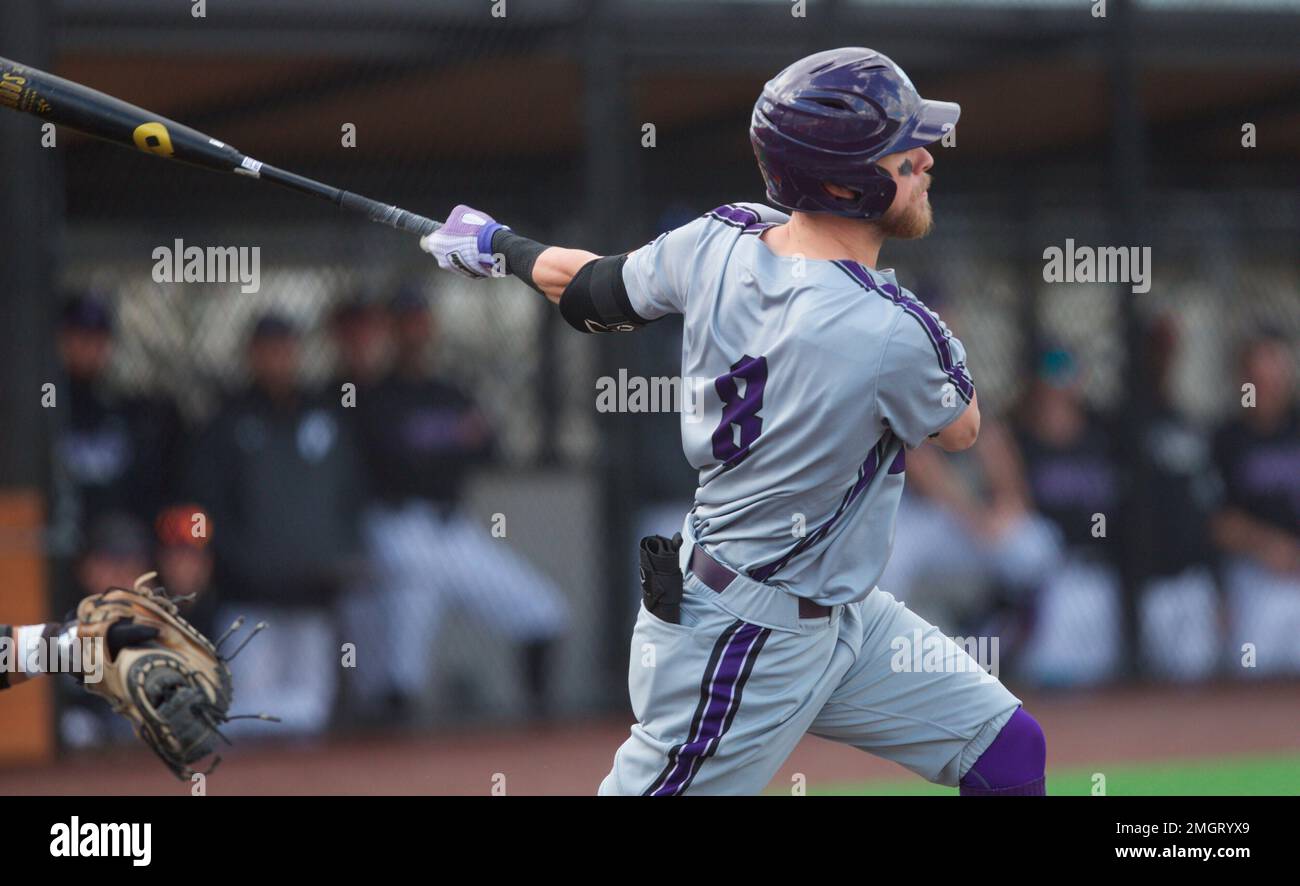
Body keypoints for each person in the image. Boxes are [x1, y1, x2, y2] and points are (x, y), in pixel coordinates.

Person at [420, 47, 1045, 795]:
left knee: (1007, 750)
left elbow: (590, 292)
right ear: (845, 182)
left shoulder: (721, 240)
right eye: (902, 153)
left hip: (840, 614)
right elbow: (963, 429)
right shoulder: (891, 330)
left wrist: (496, 247)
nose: (925, 159)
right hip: (749, 633)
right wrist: (928, 325)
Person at [346, 287, 567, 722]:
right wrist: (449, 441)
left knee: (545, 611)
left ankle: (541, 731)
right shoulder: (371, 395)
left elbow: (491, 448)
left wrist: (445, 445)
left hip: (453, 530)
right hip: (397, 531)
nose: (415, 332)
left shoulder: (451, 390)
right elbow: (391, 462)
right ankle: (385, 766)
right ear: (391, 332)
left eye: (421, 322)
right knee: (400, 668)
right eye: (405, 323)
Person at [188, 312, 366, 735]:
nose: (278, 359)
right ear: (251, 355)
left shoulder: (326, 416)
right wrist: (236, 565)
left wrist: (338, 560)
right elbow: (203, 508)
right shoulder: (226, 421)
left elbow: (351, 499)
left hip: (313, 602)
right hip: (249, 604)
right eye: (268, 350)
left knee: (309, 720)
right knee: (248, 719)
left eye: (286, 349)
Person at [1210, 331, 1300, 675]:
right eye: (1257, 378)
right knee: (1253, 679)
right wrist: (1267, 545)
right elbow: (1215, 519)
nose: (1267, 387)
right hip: (1255, 578)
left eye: (1274, 376)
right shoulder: (1228, 439)